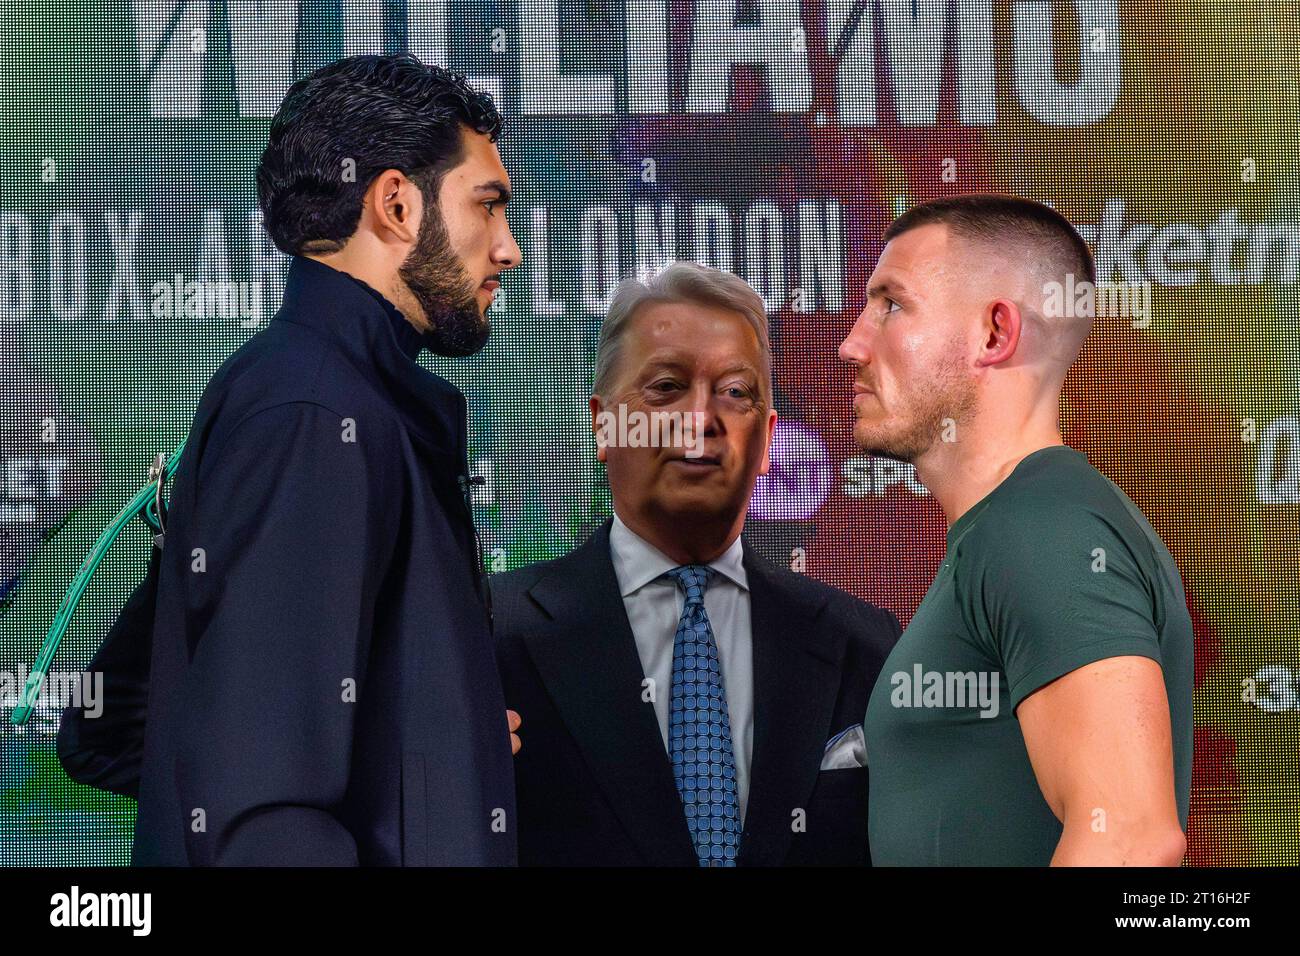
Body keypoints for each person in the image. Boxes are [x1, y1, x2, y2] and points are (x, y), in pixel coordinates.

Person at [57, 53, 523, 865]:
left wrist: (430, 763)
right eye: (488, 206)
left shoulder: (316, 396)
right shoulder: (314, 414)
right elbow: (262, 816)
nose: (508, 249)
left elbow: (123, 725)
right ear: (396, 204)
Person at [492, 262, 900, 866]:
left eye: (735, 393)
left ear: (766, 439)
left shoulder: (864, 645)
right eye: (666, 386)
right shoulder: (485, 636)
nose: (702, 419)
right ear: (604, 424)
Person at [842, 194, 1193, 865]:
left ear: (995, 333)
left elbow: (1128, 838)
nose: (853, 342)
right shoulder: (1016, 526)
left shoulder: (1042, 529)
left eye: (890, 304)